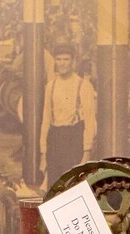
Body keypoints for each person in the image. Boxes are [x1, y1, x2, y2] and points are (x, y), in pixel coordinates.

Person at [38, 44, 97, 186]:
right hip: (55, 139)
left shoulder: (83, 85)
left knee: (73, 187)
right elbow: (46, 119)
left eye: (66, 59)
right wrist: (43, 153)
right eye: (58, 59)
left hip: (74, 140)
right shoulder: (50, 86)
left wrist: (87, 152)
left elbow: (90, 121)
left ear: (73, 62)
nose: (62, 63)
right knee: (54, 186)